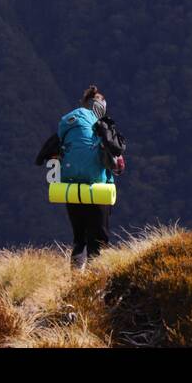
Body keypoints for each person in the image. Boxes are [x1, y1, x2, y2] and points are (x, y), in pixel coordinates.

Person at [35, 85, 125, 269]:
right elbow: (117, 156)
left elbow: (46, 153)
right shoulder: (102, 124)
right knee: (98, 239)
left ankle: (75, 278)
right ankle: (95, 279)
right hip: (98, 189)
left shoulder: (68, 123)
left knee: (79, 238)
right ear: (101, 107)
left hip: (71, 189)